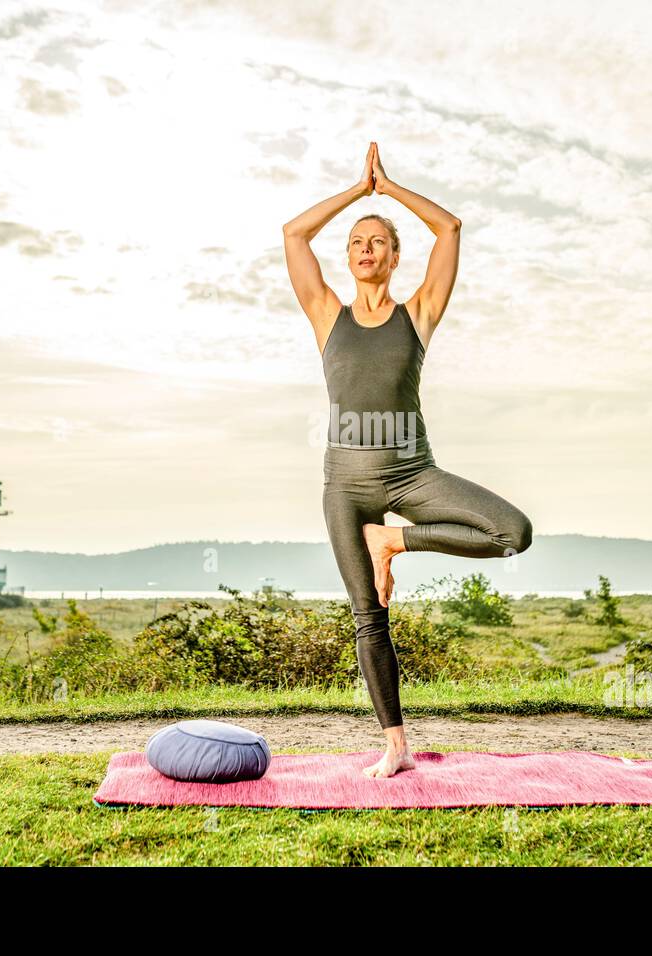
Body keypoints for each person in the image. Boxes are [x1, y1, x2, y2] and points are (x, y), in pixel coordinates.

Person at [281, 142, 533, 778]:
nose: (366, 249)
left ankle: (394, 542)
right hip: (345, 486)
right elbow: (293, 233)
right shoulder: (326, 315)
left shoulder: (417, 314)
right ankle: (395, 746)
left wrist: (387, 190)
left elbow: (449, 228)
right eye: (357, 243)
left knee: (513, 533)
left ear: (394, 257)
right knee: (370, 618)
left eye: (378, 243)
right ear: (349, 257)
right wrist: (354, 191)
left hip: (413, 474)